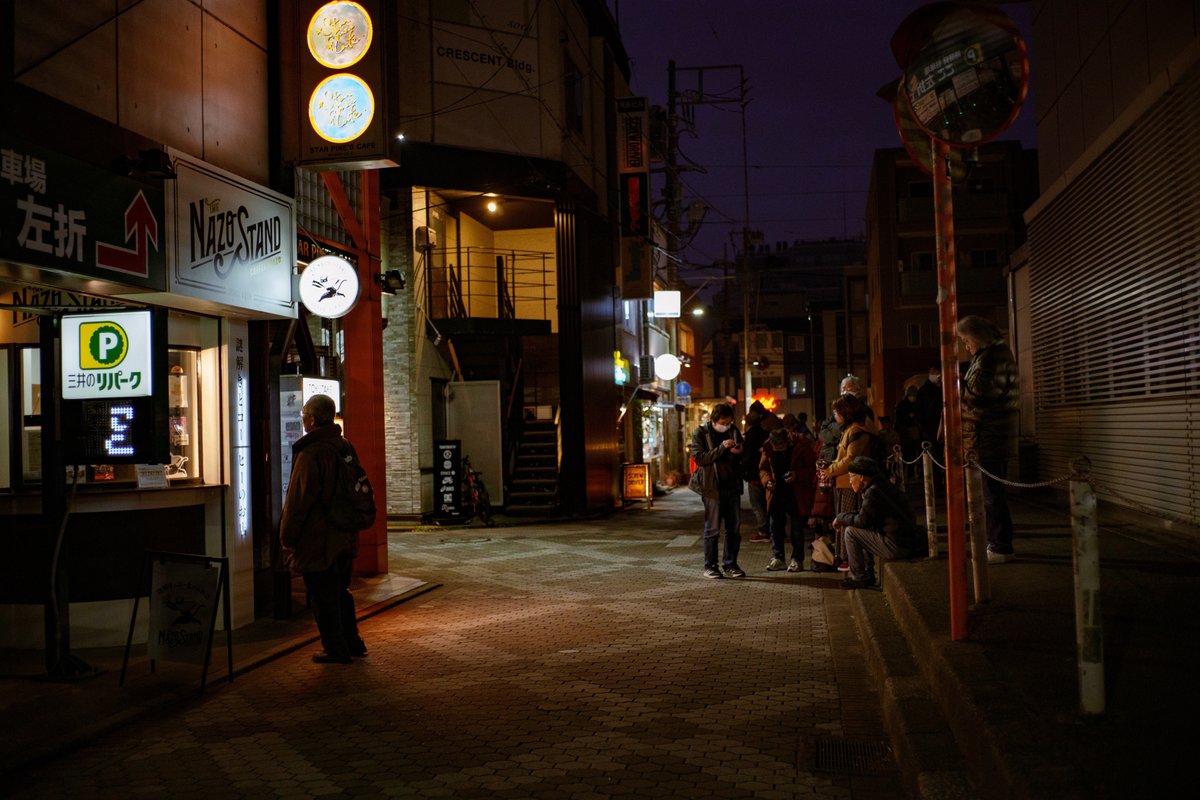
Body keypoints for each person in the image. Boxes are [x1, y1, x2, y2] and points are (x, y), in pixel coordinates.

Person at [280, 394, 368, 664]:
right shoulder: (344, 445)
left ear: (313, 419)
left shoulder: (311, 453)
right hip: (345, 534)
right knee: (340, 591)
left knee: (322, 595)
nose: (303, 418)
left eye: (305, 414)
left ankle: (336, 649)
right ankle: (353, 643)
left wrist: (287, 536)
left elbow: (298, 500)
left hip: (320, 539)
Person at [957, 315, 1020, 563]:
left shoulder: (990, 359)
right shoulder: (996, 355)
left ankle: (1000, 545)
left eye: (966, 340)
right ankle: (997, 542)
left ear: (976, 338)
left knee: (991, 494)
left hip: (990, 436)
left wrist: (959, 396)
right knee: (991, 493)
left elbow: (977, 396)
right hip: (995, 435)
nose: (966, 346)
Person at [833, 457, 922, 589]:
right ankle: (868, 572)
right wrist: (842, 517)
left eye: (852, 476)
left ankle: (860, 577)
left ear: (861, 477)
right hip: (905, 541)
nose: (850, 481)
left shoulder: (873, 493)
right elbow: (866, 515)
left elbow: (862, 521)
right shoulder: (882, 485)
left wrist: (840, 518)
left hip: (897, 546)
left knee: (851, 532)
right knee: (862, 529)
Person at [688, 403, 746, 579]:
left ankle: (730, 564)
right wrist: (722, 448)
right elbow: (700, 458)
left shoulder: (734, 430)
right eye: (723, 422)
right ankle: (710, 566)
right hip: (712, 488)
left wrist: (739, 450)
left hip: (732, 487)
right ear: (713, 420)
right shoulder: (701, 433)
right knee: (712, 528)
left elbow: (743, 451)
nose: (726, 425)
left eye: (728, 422)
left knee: (733, 529)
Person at [759, 427, 812, 572]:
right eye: (776, 448)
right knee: (775, 526)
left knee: (797, 527)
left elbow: (812, 468)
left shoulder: (801, 445)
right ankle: (778, 557)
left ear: (787, 441)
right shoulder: (768, 446)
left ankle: (797, 559)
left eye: (781, 447)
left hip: (796, 492)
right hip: (776, 492)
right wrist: (767, 481)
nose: (778, 450)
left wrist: (796, 475)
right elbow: (763, 469)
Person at [740, 401, 776, 544]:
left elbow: (748, 457)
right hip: (766, 473)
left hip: (755, 474)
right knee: (768, 502)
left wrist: (744, 471)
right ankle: (772, 529)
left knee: (757, 504)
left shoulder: (751, 436)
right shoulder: (766, 434)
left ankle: (763, 531)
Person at [894, 385, 922, 478]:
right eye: (911, 395)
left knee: (913, 455)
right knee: (905, 455)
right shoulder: (902, 405)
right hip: (904, 434)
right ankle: (902, 475)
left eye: (914, 395)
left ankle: (910, 474)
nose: (913, 397)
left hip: (914, 434)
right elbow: (899, 420)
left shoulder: (917, 405)